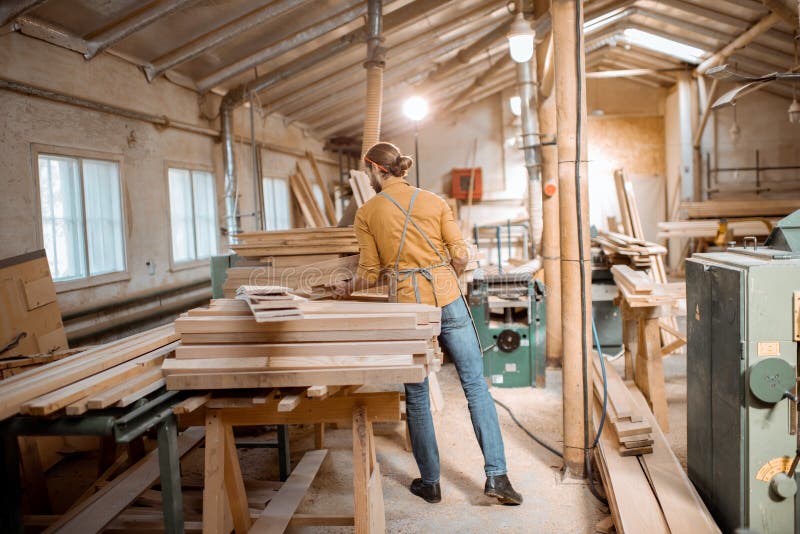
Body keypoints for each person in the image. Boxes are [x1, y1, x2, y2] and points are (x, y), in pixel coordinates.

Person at [331, 142, 522, 506]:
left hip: (408, 304)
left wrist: (346, 289)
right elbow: (461, 255)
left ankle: (430, 483)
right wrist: (446, 276)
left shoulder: (368, 212)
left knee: (417, 396)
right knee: (475, 387)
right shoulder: (435, 202)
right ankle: (497, 477)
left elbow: (370, 273)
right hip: (448, 295)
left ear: (374, 170)